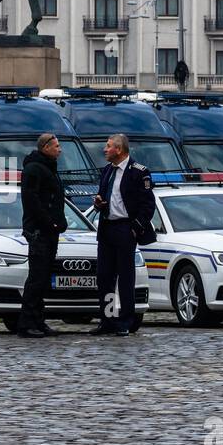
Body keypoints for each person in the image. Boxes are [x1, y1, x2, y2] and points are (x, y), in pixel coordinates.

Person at [92, 133, 155, 337]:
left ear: (119, 150)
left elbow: (148, 205)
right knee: (104, 277)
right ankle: (108, 320)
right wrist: (99, 204)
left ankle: (126, 321)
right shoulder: (107, 171)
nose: (104, 149)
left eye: (108, 146)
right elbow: (107, 196)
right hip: (107, 227)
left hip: (125, 229)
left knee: (126, 278)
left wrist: (135, 227)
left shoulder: (138, 172)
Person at [16, 133, 67, 338]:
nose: (59, 149)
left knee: (44, 279)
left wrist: (58, 222)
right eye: (56, 146)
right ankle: (26, 323)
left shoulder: (48, 167)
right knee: (36, 279)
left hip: (50, 231)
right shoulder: (34, 169)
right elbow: (32, 200)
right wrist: (49, 222)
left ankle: (38, 320)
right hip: (39, 232)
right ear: (45, 147)